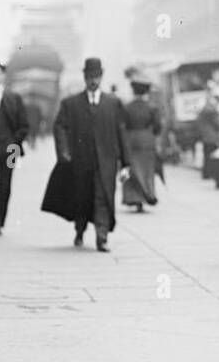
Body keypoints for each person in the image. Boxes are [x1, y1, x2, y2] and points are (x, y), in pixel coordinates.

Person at [41, 57, 131, 252]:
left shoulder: (113, 104)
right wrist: (63, 152)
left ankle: (102, 237)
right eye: (90, 77)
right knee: (82, 198)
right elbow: (60, 127)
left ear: (102, 76)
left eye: (97, 77)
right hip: (81, 162)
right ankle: (80, 230)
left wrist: (126, 163)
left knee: (103, 198)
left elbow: (121, 133)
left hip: (106, 162)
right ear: (84, 77)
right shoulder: (71, 104)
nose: (93, 81)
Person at [0, 59, 29, 235]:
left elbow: (24, 126)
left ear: (2, 75)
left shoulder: (14, 98)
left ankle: (0, 222)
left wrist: (13, 141)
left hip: (11, 151)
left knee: (5, 185)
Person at [121, 73, 163, 212]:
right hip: (146, 139)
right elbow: (157, 126)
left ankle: (134, 198)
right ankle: (147, 194)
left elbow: (123, 125)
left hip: (130, 139)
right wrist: (152, 134)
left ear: (133, 90)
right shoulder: (152, 107)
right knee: (147, 170)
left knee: (132, 168)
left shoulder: (126, 107)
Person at [196, 89, 219, 180]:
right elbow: (217, 123)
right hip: (212, 136)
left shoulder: (204, 109)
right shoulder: (211, 110)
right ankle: (211, 173)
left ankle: (206, 173)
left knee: (206, 155)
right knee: (212, 155)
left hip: (205, 136)